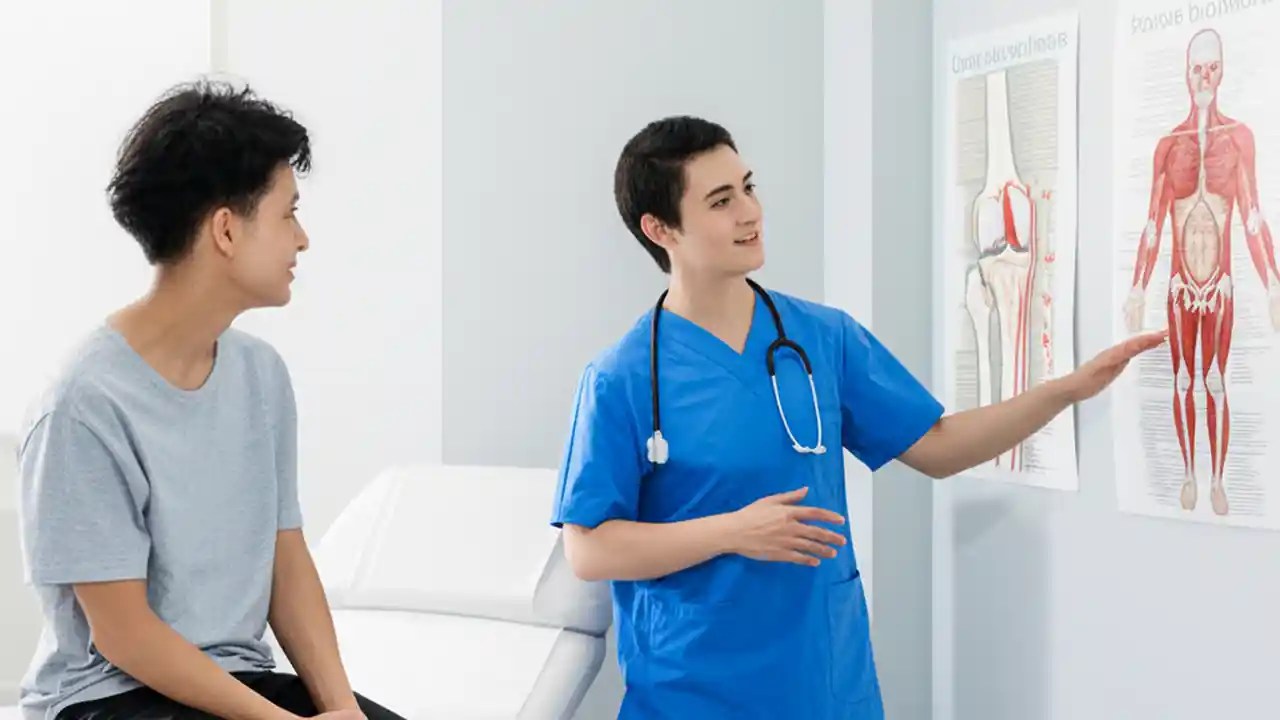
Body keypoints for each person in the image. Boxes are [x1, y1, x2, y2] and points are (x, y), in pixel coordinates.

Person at [550, 116, 1166, 719]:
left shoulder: (821, 338)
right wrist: (733, 531)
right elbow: (590, 549)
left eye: (748, 187)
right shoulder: (622, 379)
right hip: (689, 693)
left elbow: (938, 447)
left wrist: (1064, 391)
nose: (750, 212)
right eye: (720, 200)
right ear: (661, 229)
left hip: (822, 683)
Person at [15, 80, 403, 720]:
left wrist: (340, 710)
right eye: (288, 214)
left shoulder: (261, 375)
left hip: (236, 681)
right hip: (107, 698)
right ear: (226, 229)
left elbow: (286, 558)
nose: (302, 240)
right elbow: (123, 634)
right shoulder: (82, 405)